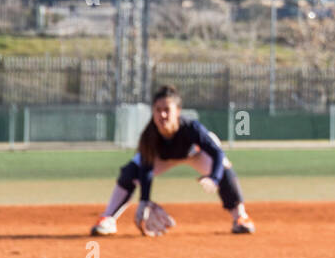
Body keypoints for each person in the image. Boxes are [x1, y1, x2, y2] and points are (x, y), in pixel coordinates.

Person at [90, 85, 255, 236]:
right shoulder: (149, 135)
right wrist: (144, 201)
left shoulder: (191, 128)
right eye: (158, 110)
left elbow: (217, 152)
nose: (162, 115)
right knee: (130, 172)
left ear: (177, 111)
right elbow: (146, 169)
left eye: (167, 110)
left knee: (224, 168)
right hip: (163, 159)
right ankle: (108, 219)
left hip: (195, 155)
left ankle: (241, 217)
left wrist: (214, 178)